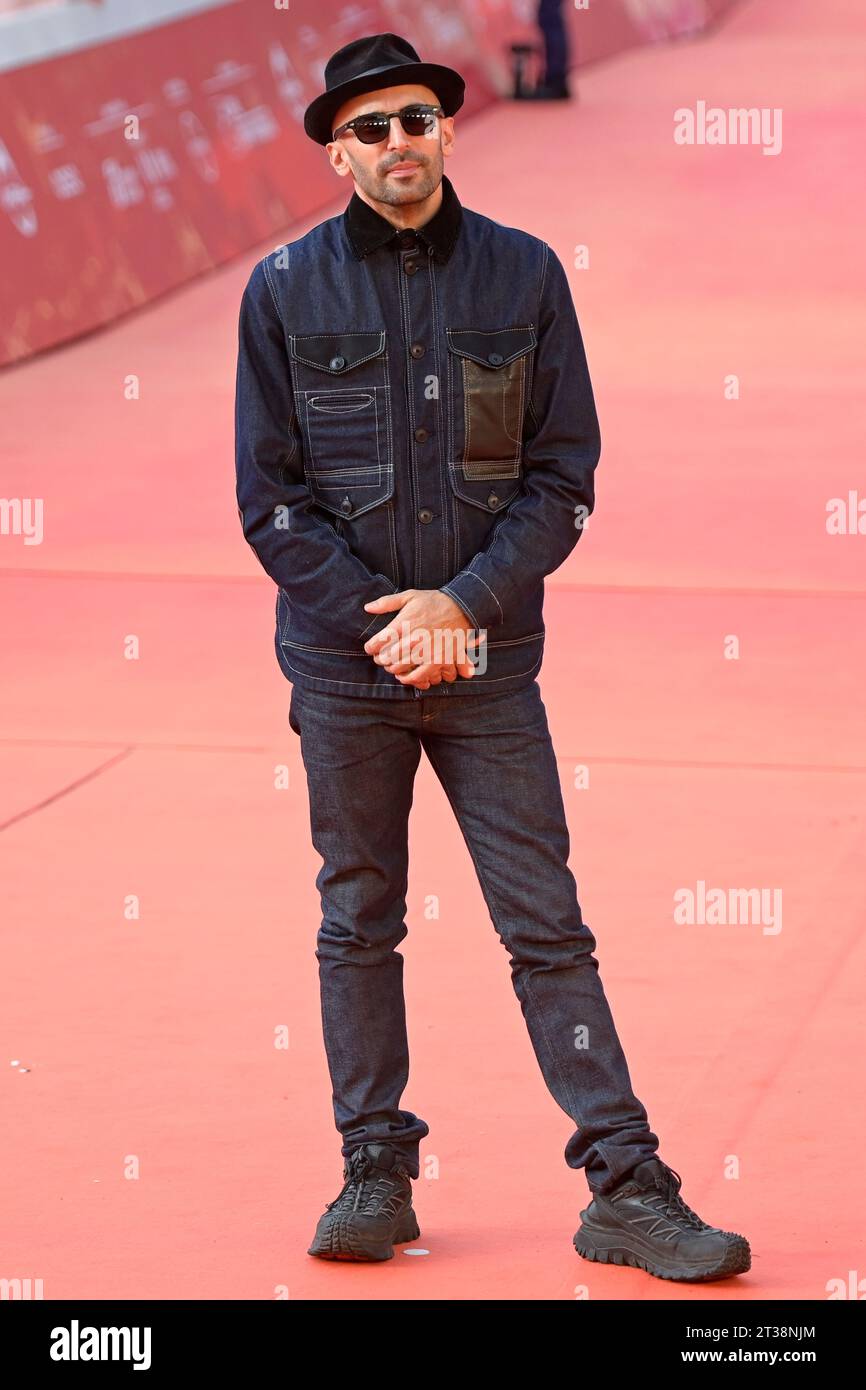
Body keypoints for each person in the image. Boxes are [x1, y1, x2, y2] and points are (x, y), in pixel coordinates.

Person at [233, 31, 751, 1282]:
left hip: (491, 664)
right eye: (369, 129)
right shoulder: (284, 289)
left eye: (415, 120)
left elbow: (560, 473)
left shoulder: (522, 275)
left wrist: (460, 604)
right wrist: (388, 619)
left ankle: (624, 1183)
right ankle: (374, 1169)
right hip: (343, 673)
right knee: (357, 920)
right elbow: (271, 501)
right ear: (335, 152)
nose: (396, 144)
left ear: (447, 131)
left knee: (547, 928)